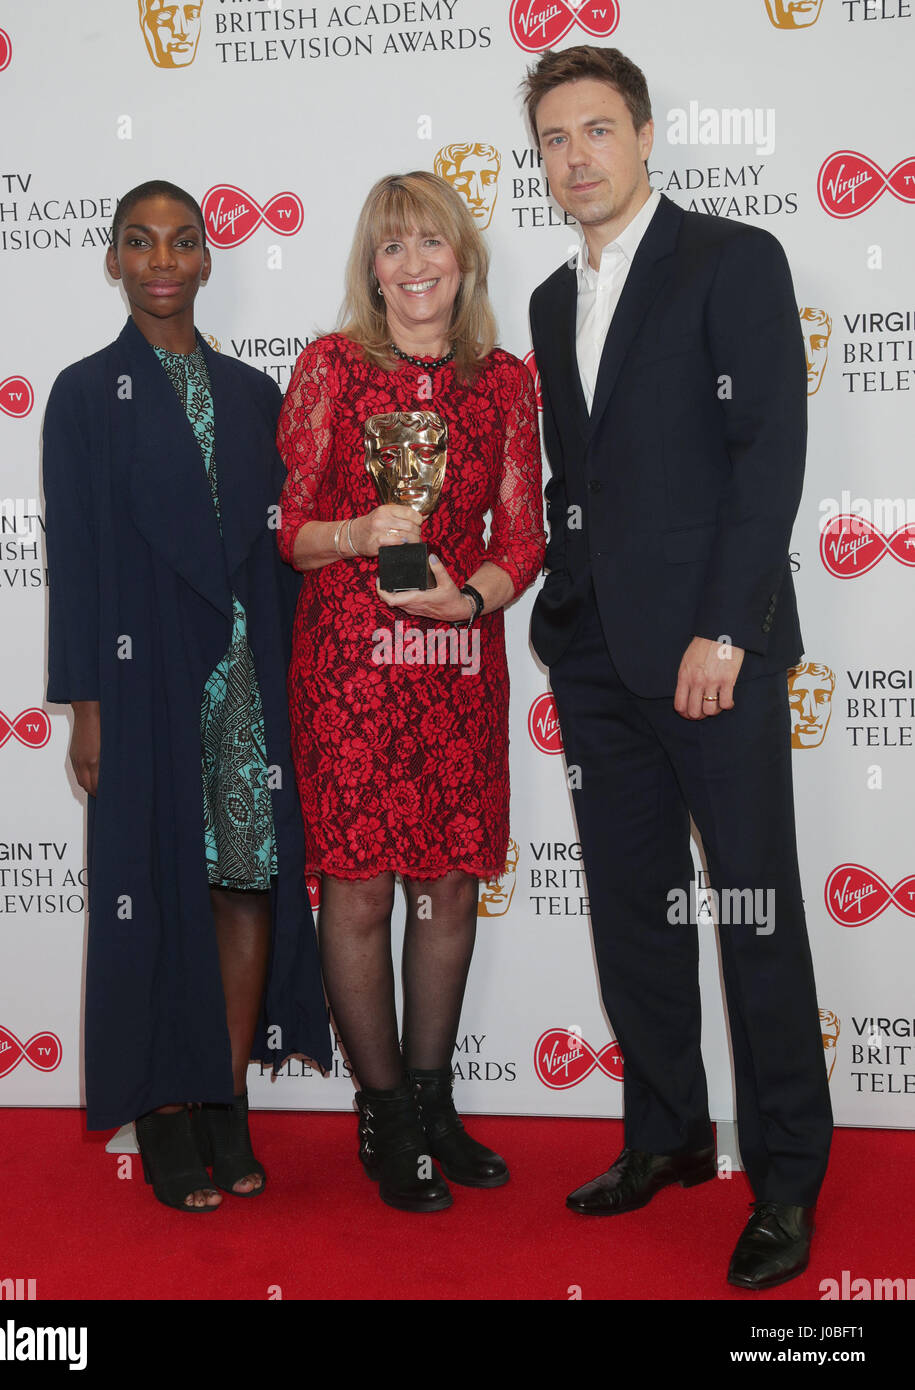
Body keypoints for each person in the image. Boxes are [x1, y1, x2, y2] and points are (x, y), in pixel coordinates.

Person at [523, 47, 832, 1288]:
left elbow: (768, 458)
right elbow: (578, 476)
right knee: (633, 915)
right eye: (554, 137)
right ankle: (665, 1136)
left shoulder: (730, 260)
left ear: (646, 135)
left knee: (752, 918)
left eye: (598, 128)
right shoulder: (552, 301)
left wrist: (729, 630)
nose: (578, 155)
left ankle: (788, 1183)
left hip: (716, 654)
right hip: (597, 656)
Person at [43, 180, 331, 1212]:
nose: (162, 258)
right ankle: (162, 1109)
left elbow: (284, 549)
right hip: (141, 671)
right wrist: (86, 705)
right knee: (150, 888)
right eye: (139, 241)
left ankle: (223, 1093)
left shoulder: (257, 394)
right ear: (113, 260)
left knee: (245, 884)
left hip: (250, 672)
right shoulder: (84, 394)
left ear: (208, 262)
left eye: (182, 241)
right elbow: (74, 560)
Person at [276, 171, 544, 1212]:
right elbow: (290, 532)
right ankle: (382, 1113)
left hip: (455, 665)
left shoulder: (505, 380)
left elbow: (522, 535)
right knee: (357, 887)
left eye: (431, 243)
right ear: (370, 269)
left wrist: (469, 602)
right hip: (347, 669)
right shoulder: (329, 368)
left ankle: (435, 1104)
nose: (414, 264)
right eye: (392, 248)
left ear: (463, 260)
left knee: (447, 886)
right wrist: (357, 535)